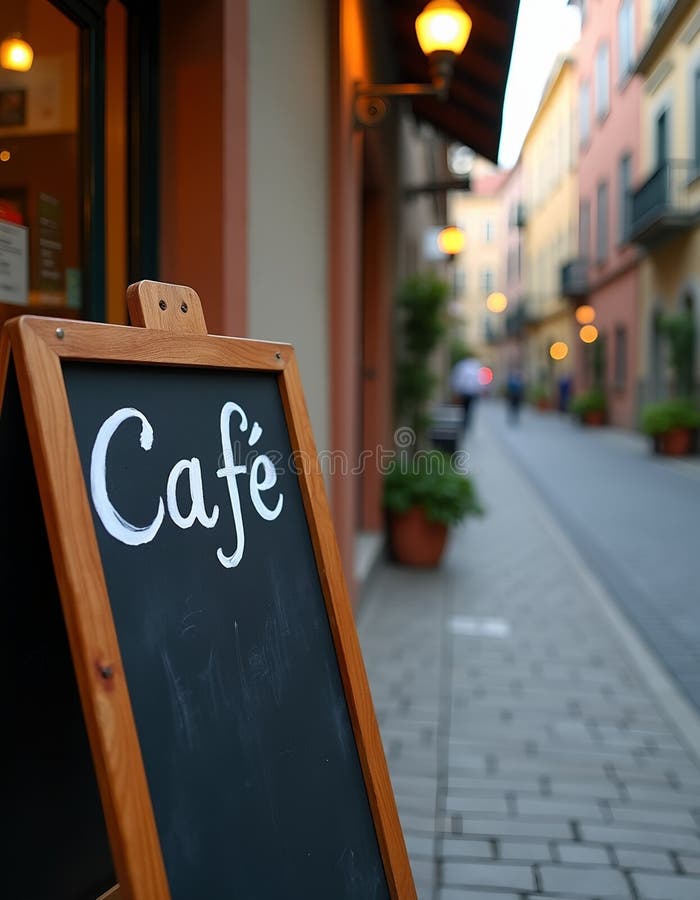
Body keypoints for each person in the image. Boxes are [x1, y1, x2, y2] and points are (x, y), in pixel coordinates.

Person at [450, 355, 482, 434]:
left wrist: (456, 389)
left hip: (464, 391)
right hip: (471, 392)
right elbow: (479, 380)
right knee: (468, 409)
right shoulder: (476, 366)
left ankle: (463, 423)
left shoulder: (461, 365)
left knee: (464, 409)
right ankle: (466, 424)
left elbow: (456, 378)